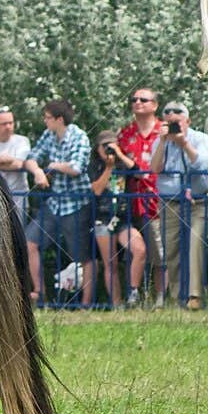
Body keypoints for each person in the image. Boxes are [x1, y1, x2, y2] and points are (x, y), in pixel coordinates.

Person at [24, 99, 95, 306]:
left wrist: (53, 166)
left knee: (82, 256)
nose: (44, 121)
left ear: (59, 119)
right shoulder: (49, 135)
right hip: (55, 202)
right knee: (29, 243)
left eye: (47, 118)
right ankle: (40, 294)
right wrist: (38, 172)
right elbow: (31, 158)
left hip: (76, 204)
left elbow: (76, 168)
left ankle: (86, 304)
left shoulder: (79, 136)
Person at [149, 102, 208, 309]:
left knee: (195, 244)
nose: (174, 126)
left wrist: (184, 143)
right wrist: (162, 142)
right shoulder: (160, 141)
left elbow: (201, 164)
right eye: (170, 123)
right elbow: (155, 168)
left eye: (178, 122)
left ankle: (195, 296)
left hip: (197, 201)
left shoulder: (201, 139)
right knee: (171, 249)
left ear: (188, 121)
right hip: (170, 201)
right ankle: (178, 297)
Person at [114, 86, 165, 303]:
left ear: (155, 105)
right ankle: (135, 297)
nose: (137, 103)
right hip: (131, 203)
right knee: (134, 252)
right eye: (134, 99)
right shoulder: (125, 133)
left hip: (157, 201)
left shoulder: (163, 131)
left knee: (160, 255)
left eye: (143, 100)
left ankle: (161, 299)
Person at [89, 129, 144, 307]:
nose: (108, 149)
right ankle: (116, 304)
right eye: (105, 146)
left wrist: (119, 154)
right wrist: (109, 167)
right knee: (110, 263)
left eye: (111, 145)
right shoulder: (95, 166)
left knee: (139, 249)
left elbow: (139, 173)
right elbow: (97, 190)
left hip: (122, 218)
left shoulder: (122, 163)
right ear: (97, 148)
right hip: (103, 217)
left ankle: (133, 293)